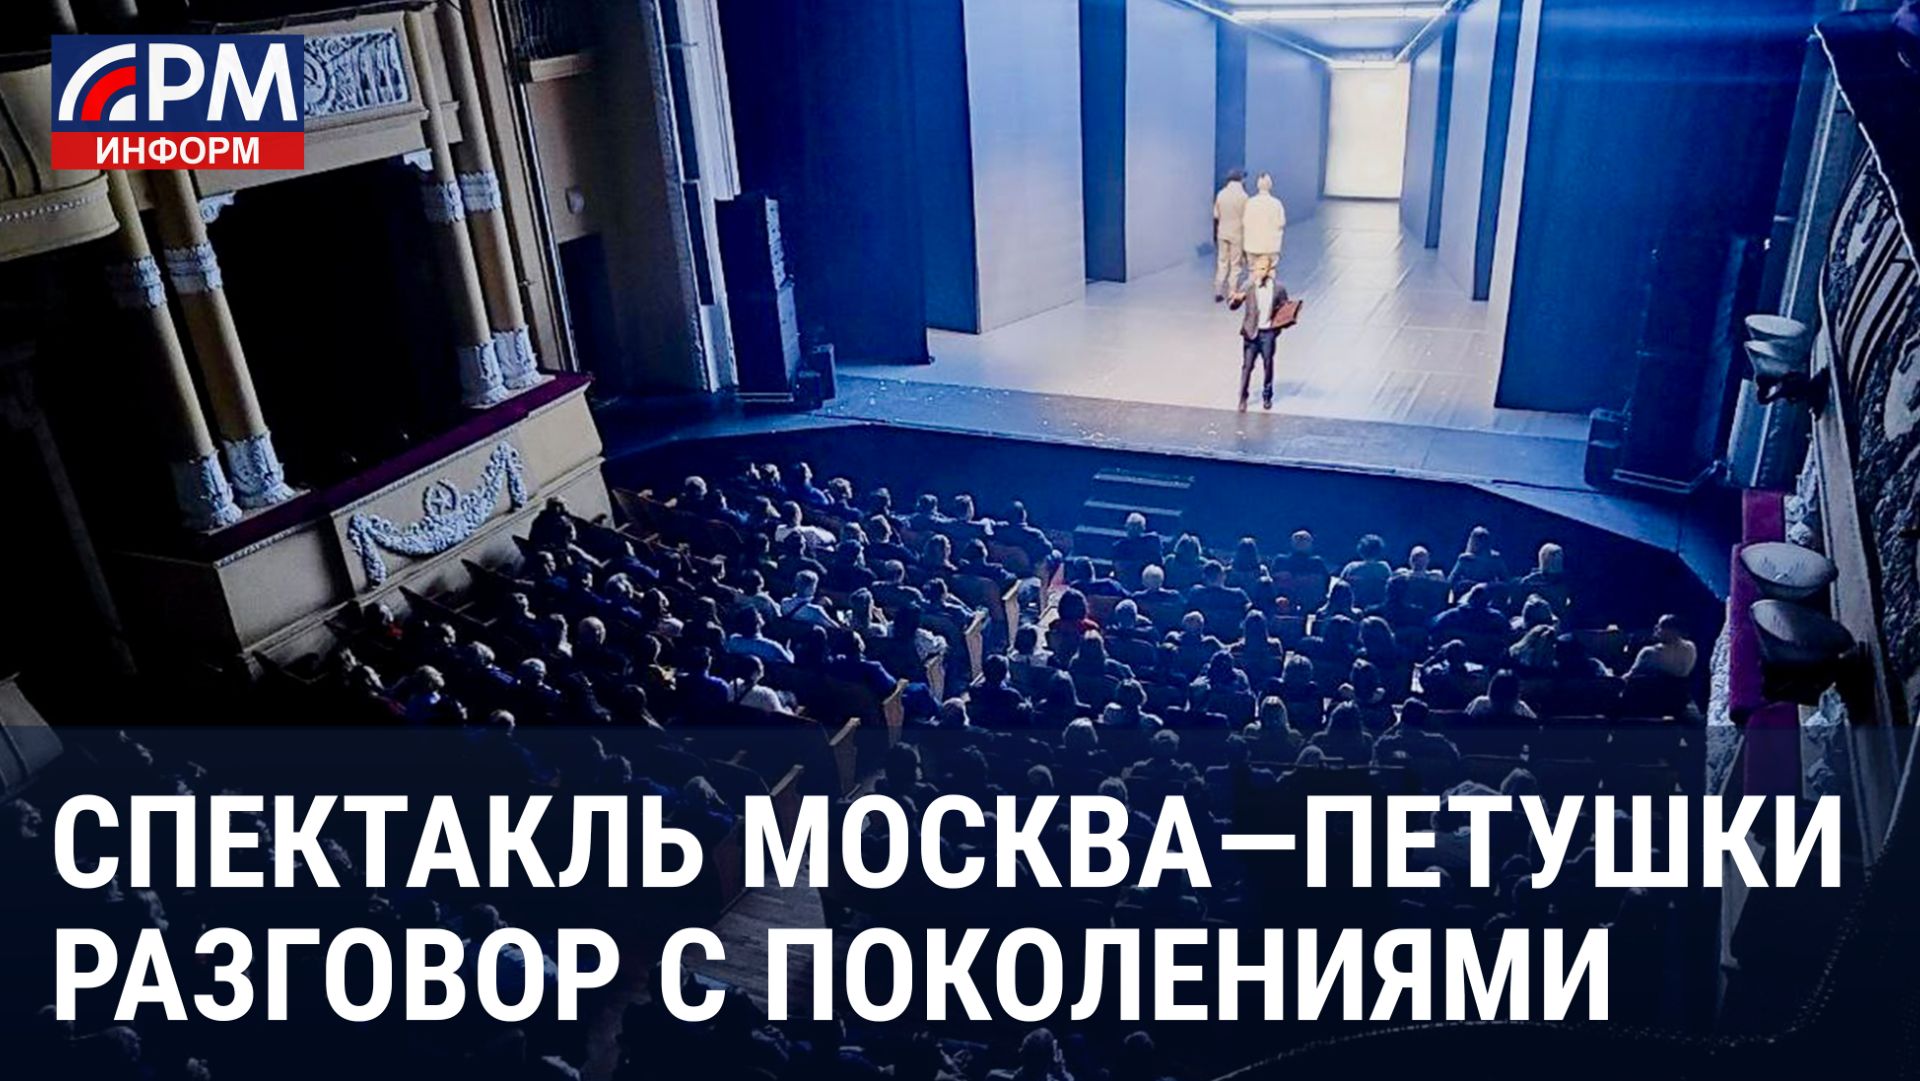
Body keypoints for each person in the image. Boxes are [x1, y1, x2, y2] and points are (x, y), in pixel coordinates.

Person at [1227, 256, 1294, 411]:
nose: (1259, 272)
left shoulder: (1278, 288)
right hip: (1251, 333)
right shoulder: (1248, 286)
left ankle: (1267, 396)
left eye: (1263, 269)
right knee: (1247, 366)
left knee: (1268, 364)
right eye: (1257, 269)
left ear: (1270, 270)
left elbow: (1285, 308)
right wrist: (1236, 299)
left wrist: (1277, 328)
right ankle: (1243, 397)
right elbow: (1233, 306)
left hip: (1268, 333)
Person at [1213, 168, 1251, 301]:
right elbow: (1247, 217)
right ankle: (1232, 291)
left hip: (1222, 232)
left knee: (1222, 261)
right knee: (1235, 264)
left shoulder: (1221, 194)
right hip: (1237, 233)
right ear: (1241, 179)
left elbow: (1216, 215)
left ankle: (1218, 290)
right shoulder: (1244, 197)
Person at [1242, 171, 1287, 276]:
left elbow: (1245, 221)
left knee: (1253, 272)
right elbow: (1281, 222)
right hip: (1270, 246)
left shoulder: (1250, 203)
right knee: (1269, 271)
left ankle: (1254, 286)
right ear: (1270, 185)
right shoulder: (1276, 204)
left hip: (1252, 245)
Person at [1627, 614, 1698, 679]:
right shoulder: (1691, 646)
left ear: (1673, 631)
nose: (1656, 629)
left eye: (1660, 626)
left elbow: (1630, 675)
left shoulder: (1650, 653)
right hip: (1683, 688)